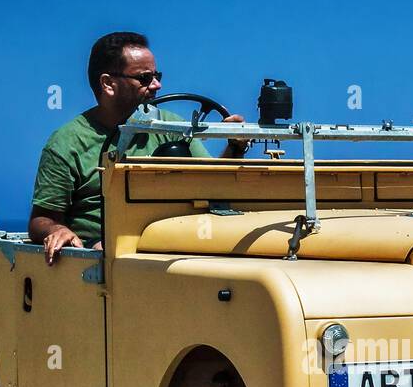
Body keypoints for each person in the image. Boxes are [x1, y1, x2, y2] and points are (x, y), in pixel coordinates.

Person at [30, 31, 249, 264]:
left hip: (175, 248)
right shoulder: (67, 143)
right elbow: (41, 220)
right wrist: (56, 230)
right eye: (144, 78)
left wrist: (235, 146)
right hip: (106, 257)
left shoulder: (170, 126)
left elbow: (214, 183)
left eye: (157, 75)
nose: (157, 85)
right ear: (108, 84)